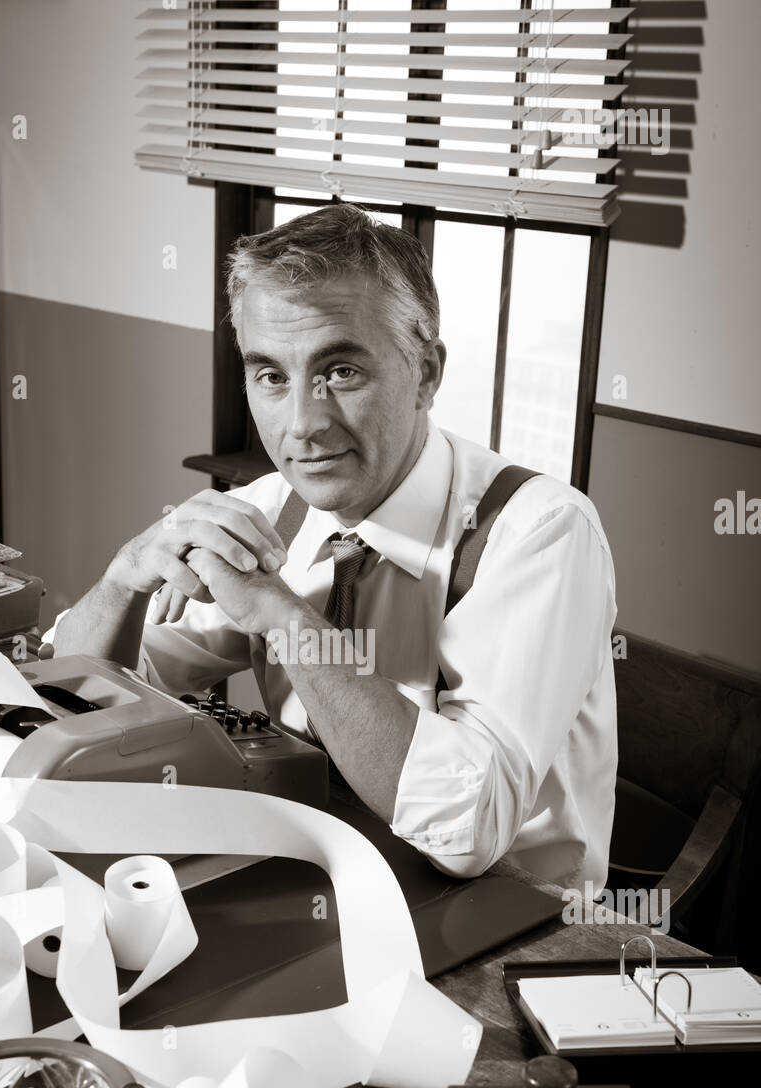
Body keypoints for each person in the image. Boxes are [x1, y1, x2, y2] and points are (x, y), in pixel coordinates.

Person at [51, 204, 617, 889]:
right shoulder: (271, 508)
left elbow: (466, 833)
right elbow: (70, 696)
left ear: (426, 372)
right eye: (270, 376)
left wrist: (284, 617)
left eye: (341, 371)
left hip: (513, 927)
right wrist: (121, 581)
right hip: (326, 869)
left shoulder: (539, 532)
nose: (303, 426)